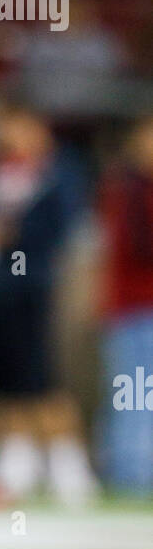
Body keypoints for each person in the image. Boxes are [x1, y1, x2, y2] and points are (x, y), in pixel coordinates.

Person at [0, 104, 97, 503]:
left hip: (34, 287)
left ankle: (68, 463)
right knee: (0, 375)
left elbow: (58, 229)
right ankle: (16, 457)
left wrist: (11, 233)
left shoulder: (59, 174)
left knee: (40, 376)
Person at [96, 116, 153, 493]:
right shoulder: (127, 190)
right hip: (134, 308)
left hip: (134, 308)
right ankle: (130, 475)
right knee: (132, 394)